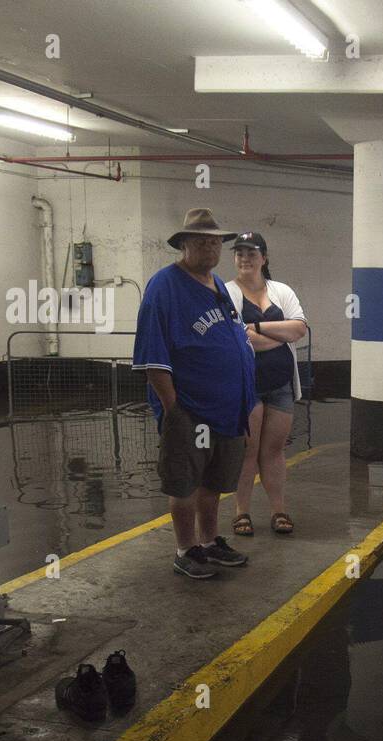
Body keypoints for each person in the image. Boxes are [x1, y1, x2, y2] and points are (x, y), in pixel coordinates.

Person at [131, 208, 256, 579]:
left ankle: (208, 541)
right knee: (185, 480)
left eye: (216, 241)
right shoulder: (164, 286)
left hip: (226, 409)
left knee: (214, 480)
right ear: (183, 244)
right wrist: (174, 410)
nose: (210, 247)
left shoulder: (218, 285)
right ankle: (185, 549)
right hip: (190, 409)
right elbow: (153, 357)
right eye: (201, 240)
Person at [225, 231, 308, 537]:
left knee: (273, 450)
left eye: (251, 253)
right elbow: (236, 337)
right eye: (240, 253)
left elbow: (299, 329)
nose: (245, 258)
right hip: (247, 387)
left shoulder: (281, 291)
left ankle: (278, 510)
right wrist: (278, 334)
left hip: (281, 385)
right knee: (249, 450)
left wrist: (257, 326)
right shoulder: (227, 292)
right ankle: (242, 512)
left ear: (264, 258)